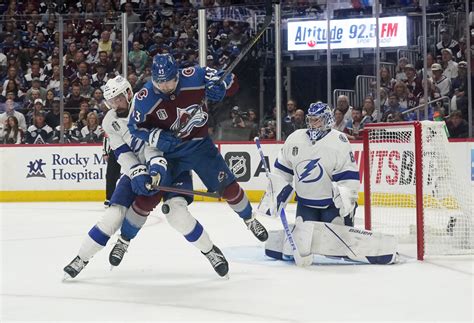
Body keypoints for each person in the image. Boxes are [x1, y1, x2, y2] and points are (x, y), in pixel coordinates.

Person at [64, 76, 229, 279]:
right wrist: (137, 172)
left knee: (177, 214)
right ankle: (81, 258)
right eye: (111, 101)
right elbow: (122, 152)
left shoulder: (148, 106)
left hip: (172, 164)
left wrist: (156, 166)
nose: (115, 104)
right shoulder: (110, 121)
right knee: (113, 215)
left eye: (118, 98)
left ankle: (211, 251)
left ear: (128, 93)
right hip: (138, 168)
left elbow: (155, 142)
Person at [128, 53, 268, 243]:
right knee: (150, 193)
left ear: (176, 75)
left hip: (199, 145)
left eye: (168, 82)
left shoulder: (194, 75)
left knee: (228, 187)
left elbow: (232, 82)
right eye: (159, 83)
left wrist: (223, 86)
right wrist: (157, 137)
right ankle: (124, 239)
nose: (164, 87)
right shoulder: (144, 97)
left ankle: (249, 219)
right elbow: (134, 127)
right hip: (169, 152)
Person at [259, 102, 397, 265]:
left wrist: (345, 199)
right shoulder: (295, 138)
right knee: (300, 245)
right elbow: (283, 170)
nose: (312, 124)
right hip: (306, 204)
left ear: (327, 120)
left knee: (334, 247)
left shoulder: (339, 141)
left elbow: (349, 177)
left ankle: (344, 232)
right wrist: (277, 191)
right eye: (310, 120)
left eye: (317, 120)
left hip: (331, 205)